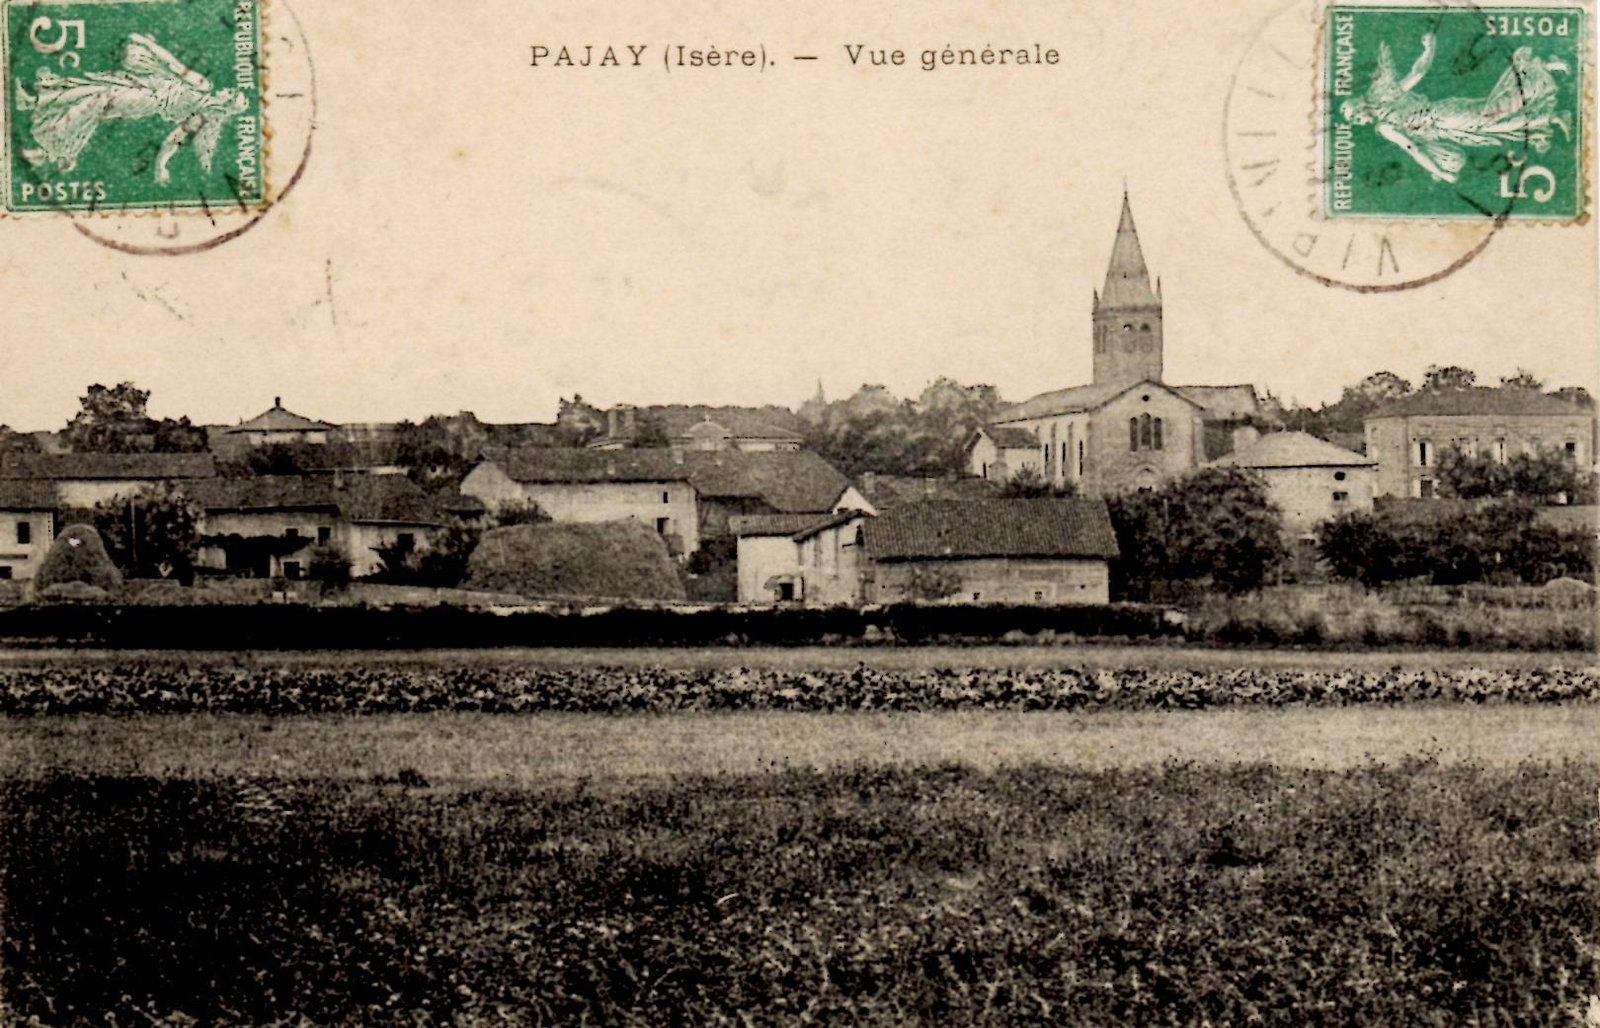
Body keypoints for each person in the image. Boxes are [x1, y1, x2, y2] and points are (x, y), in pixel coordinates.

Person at [1340, 33, 1571, 183]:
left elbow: (1413, 148)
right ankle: (1551, 113)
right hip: (1446, 114)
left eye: (1354, 115)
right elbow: (1416, 73)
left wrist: (1441, 172)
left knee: (1493, 115)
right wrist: (1430, 48)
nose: (1358, 121)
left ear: (1360, 106)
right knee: (1494, 122)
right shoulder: (1390, 100)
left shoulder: (1384, 125)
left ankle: (1540, 71)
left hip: (1444, 118)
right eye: (1354, 122)